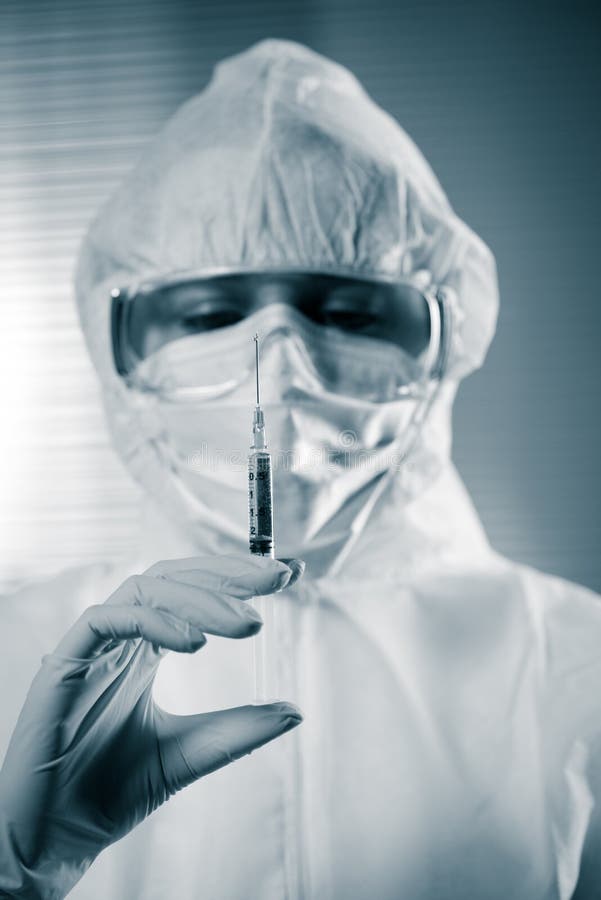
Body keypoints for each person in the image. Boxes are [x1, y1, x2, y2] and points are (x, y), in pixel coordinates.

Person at [1, 38, 600, 900]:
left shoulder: (575, 666)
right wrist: (20, 880)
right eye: (210, 311)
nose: (277, 361)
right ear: (115, 344)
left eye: (348, 312)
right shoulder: (20, 656)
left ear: (442, 346)